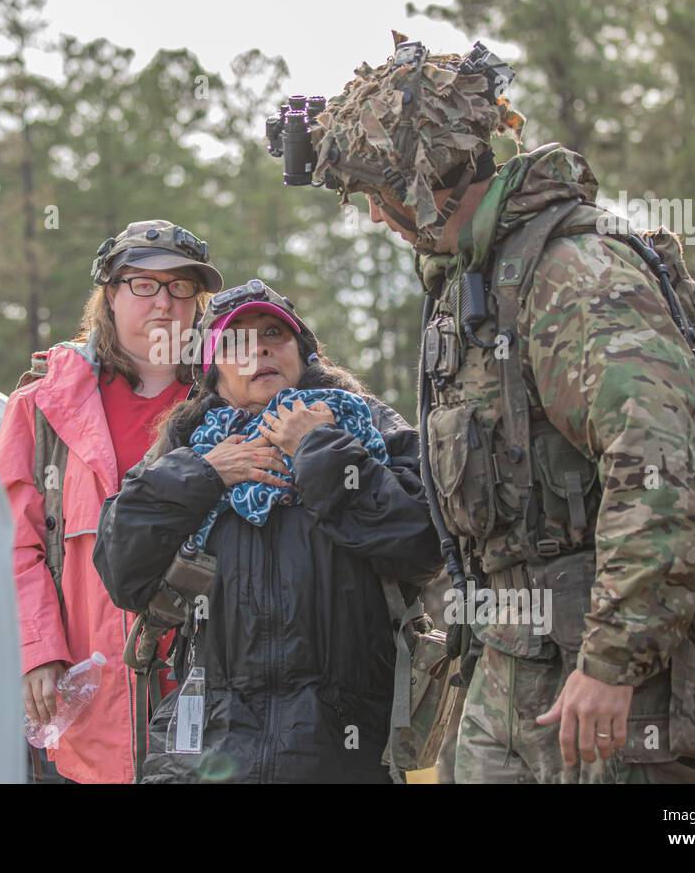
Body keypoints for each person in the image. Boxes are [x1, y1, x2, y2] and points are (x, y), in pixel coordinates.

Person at [304, 33, 695, 783]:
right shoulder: (476, 280)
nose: (380, 218)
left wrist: (614, 661)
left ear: (428, 183)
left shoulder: (573, 273)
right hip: (506, 664)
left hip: (601, 679)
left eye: (380, 195)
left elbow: (664, 467)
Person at [93, 279, 443, 783]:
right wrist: (205, 472)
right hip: (212, 745)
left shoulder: (367, 427)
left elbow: (421, 545)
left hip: (344, 745)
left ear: (304, 355)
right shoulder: (186, 446)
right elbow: (122, 571)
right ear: (212, 375)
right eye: (236, 343)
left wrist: (318, 448)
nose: (259, 349)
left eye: (274, 334)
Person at [0, 221, 223, 784]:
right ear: (111, 295)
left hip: (214, 685)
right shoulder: (43, 406)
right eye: (143, 285)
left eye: (179, 287)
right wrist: (37, 648)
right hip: (90, 690)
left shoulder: (231, 398)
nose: (163, 302)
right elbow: (9, 542)